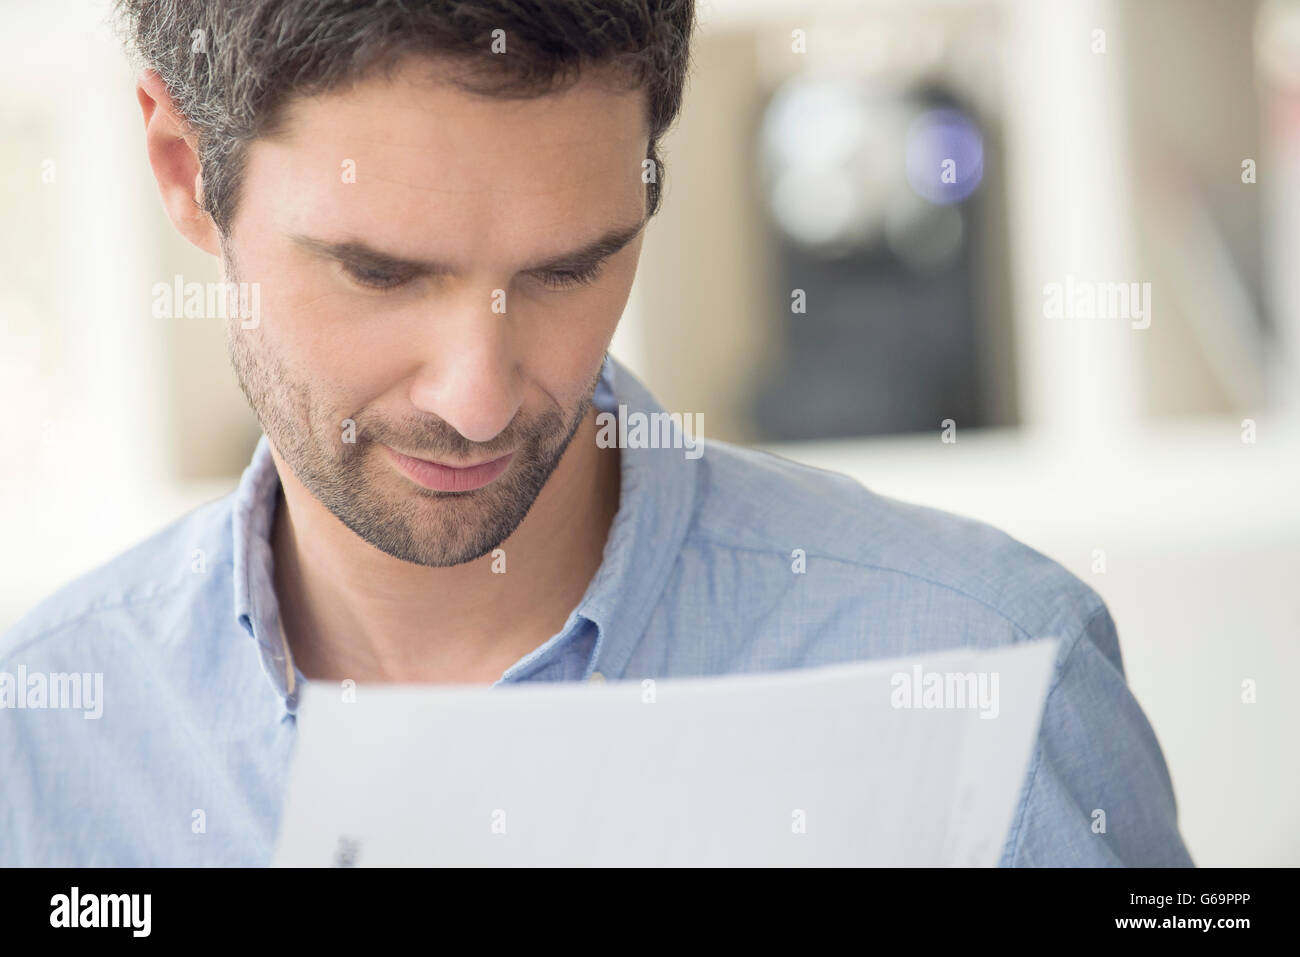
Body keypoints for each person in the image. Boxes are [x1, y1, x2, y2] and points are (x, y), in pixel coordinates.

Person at [0, 0, 1192, 866]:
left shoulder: (991, 676)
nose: (477, 399)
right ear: (180, 167)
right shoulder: (42, 735)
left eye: (572, 268)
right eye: (380, 274)